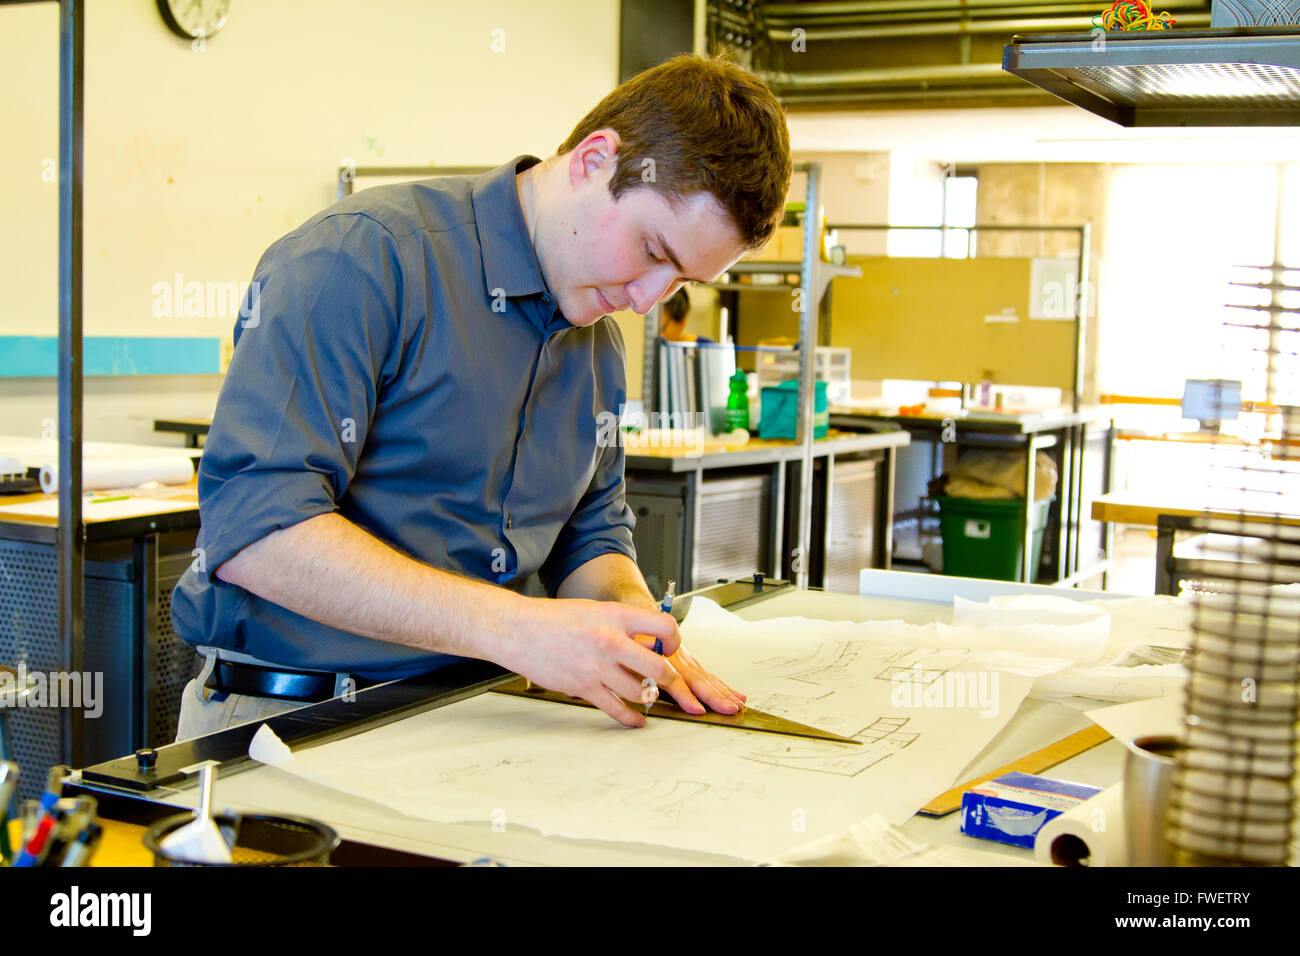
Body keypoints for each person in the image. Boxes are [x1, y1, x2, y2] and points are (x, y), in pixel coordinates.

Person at [171, 54, 792, 740]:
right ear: (593, 160)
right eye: (652, 250)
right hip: (291, 719)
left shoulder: (597, 345)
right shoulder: (359, 260)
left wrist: (627, 628)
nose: (648, 301)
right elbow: (255, 533)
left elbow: (589, 534)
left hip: (486, 717)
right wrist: (519, 630)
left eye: (682, 284)